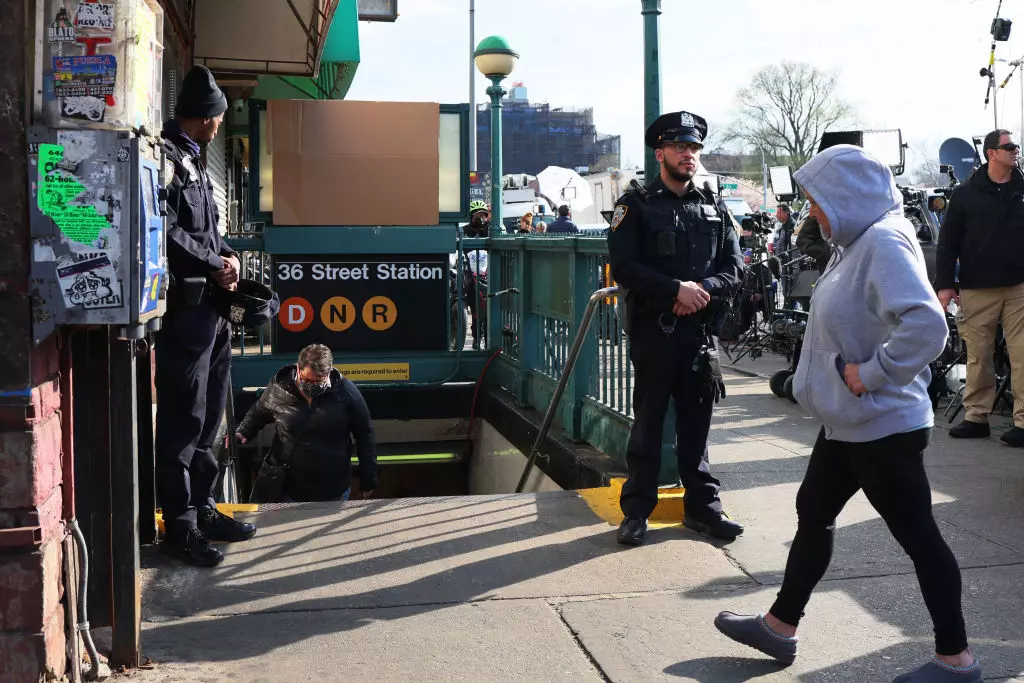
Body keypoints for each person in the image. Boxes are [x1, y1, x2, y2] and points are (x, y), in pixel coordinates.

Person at [715, 145, 980, 683]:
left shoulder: (882, 242)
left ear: (846, 195)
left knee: (918, 536)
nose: (811, 210)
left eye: (817, 200)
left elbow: (927, 326)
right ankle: (779, 626)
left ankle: (956, 661)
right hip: (851, 420)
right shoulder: (857, 241)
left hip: (880, 424)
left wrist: (872, 373)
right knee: (813, 509)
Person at [607, 110, 744, 545]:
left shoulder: (715, 207)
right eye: (681, 147)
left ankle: (704, 510)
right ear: (660, 152)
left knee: (697, 425)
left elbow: (735, 268)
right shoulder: (637, 206)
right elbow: (624, 267)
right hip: (656, 331)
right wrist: (674, 290)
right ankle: (636, 512)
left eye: (694, 148)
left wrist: (701, 289)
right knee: (648, 422)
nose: (689, 155)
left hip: (700, 334)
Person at [156, 65, 255, 567]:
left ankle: (204, 506)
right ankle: (181, 527)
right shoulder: (169, 159)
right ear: (205, 117)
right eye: (217, 116)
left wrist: (230, 257)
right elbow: (167, 232)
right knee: (183, 418)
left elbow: (208, 235)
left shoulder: (194, 159)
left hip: (212, 314)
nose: (220, 123)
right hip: (186, 312)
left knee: (212, 414)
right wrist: (216, 264)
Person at [936, 129, 1024, 447]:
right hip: (977, 287)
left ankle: (1023, 422)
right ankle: (976, 417)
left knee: (1022, 354)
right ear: (991, 154)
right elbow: (948, 243)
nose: (1016, 151)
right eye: (1010, 147)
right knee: (978, 356)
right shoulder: (965, 193)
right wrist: (945, 285)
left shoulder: (1022, 188)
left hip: (1019, 287)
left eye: (1016, 146)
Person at [235, 344, 377, 503]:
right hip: (285, 488)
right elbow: (259, 411)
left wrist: (368, 480)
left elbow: (365, 435)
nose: (311, 386)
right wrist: (243, 431)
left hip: (332, 490)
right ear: (298, 368)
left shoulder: (347, 393)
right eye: (307, 380)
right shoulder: (280, 388)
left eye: (318, 381)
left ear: (328, 373)